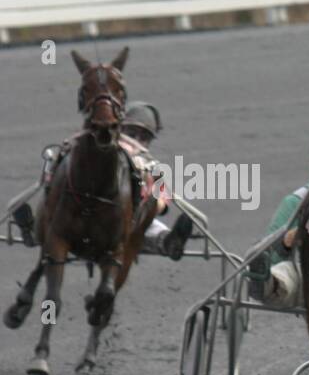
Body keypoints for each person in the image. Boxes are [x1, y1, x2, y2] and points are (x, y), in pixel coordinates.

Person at [11, 100, 192, 259]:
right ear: (118, 130)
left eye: (143, 138)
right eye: (131, 133)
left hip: (123, 228)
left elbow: (162, 204)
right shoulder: (94, 153)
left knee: (148, 223)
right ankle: (33, 231)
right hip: (80, 219)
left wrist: (150, 203)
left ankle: (168, 242)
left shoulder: (152, 167)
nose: (136, 141)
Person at [246, 129, 309, 307]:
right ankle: (268, 285)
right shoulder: (299, 199)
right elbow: (272, 252)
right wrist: (285, 243)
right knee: (284, 272)